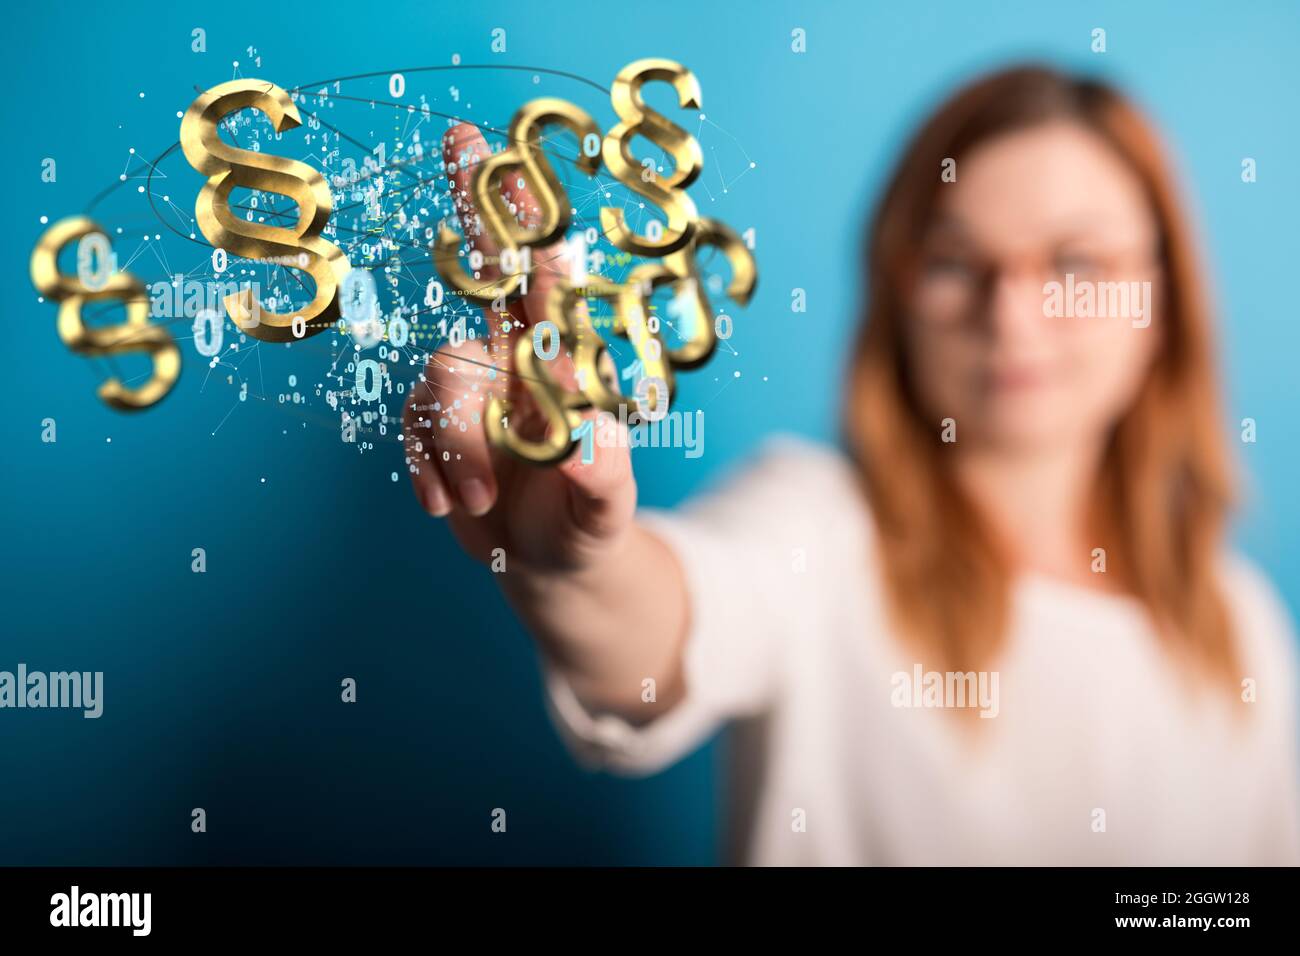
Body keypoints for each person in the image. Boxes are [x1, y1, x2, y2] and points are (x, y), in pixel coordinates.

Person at [403, 64, 1300, 865]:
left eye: (1074, 261)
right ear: (898, 295)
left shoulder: (1243, 629)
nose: (1013, 316)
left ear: (1165, 294)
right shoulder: (817, 525)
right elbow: (667, 619)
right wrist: (575, 570)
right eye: (955, 261)